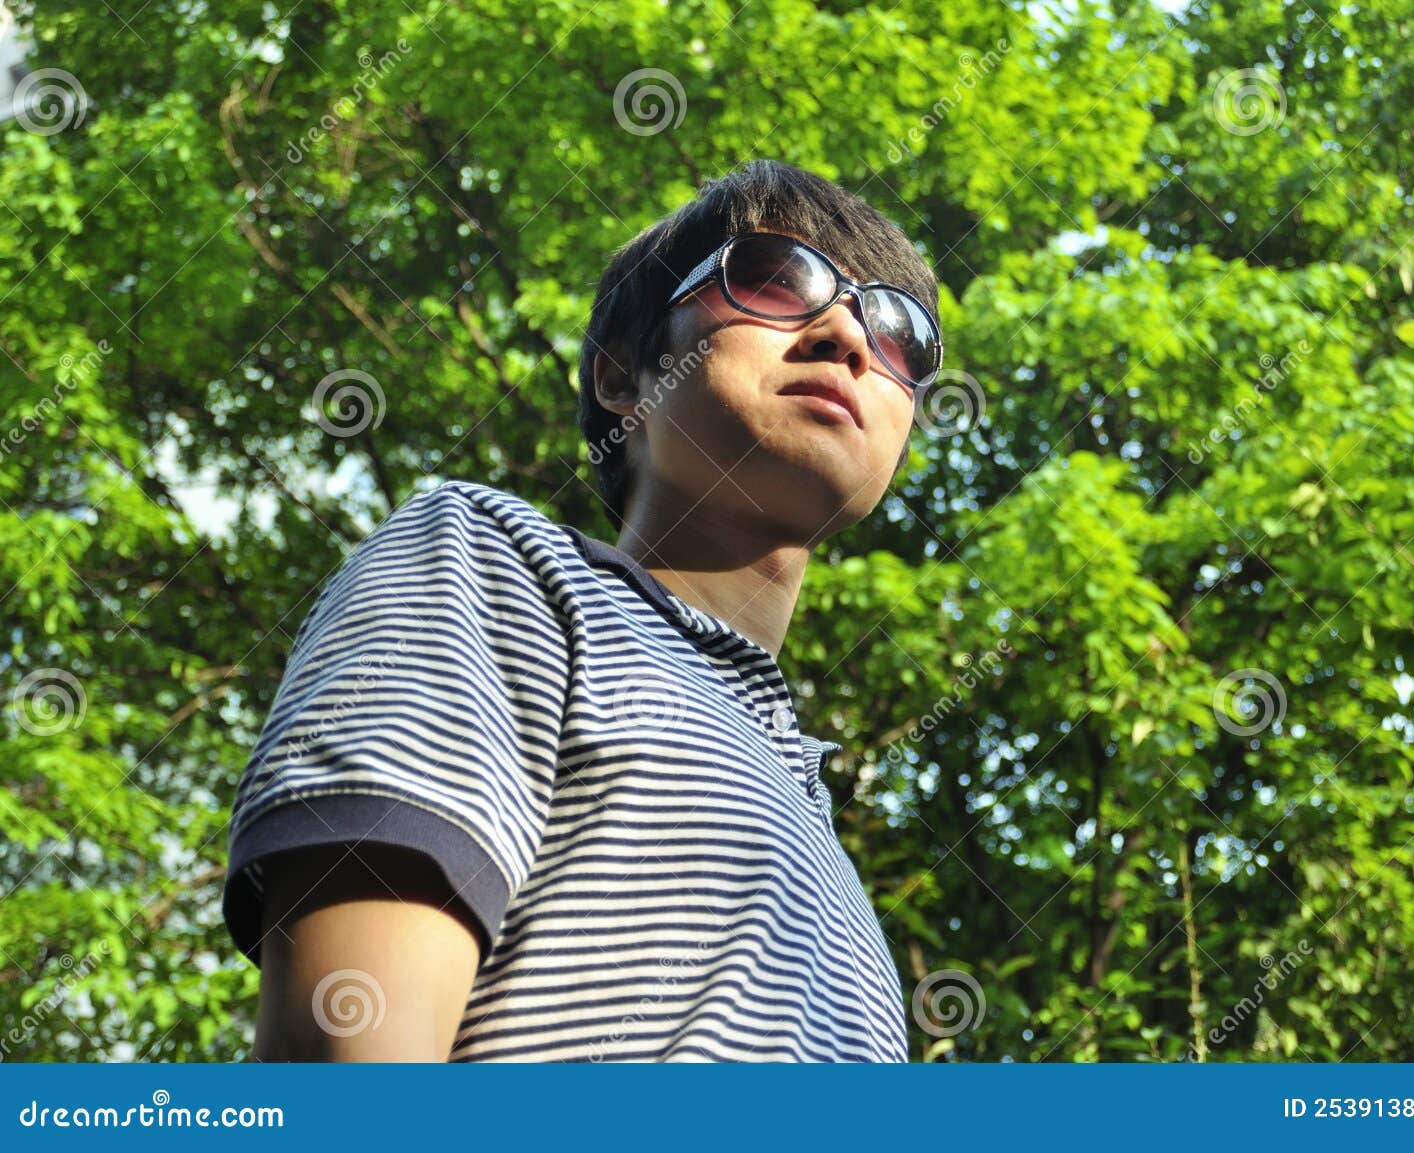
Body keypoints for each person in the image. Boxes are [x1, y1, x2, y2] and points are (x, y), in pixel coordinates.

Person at [222, 158, 944, 1061]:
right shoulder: (490, 563)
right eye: (771, 278)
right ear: (621, 376)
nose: (846, 334)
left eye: (900, 334)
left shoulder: (834, 867)